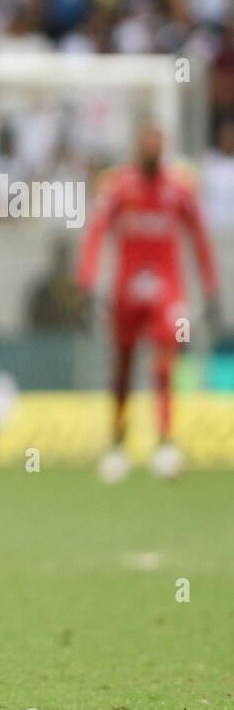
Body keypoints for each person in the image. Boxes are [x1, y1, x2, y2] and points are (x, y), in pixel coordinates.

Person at [77, 124, 221, 481]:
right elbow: (96, 234)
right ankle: (117, 442)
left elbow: (199, 239)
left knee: (164, 365)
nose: (151, 150)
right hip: (125, 291)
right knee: (122, 368)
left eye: (157, 144)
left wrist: (211, 288)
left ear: (163, 148)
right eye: (146, 144)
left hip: (167, 291)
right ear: (138, 148)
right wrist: (87, 282)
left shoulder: (179, 190)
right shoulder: (118, 188)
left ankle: (166, 441)